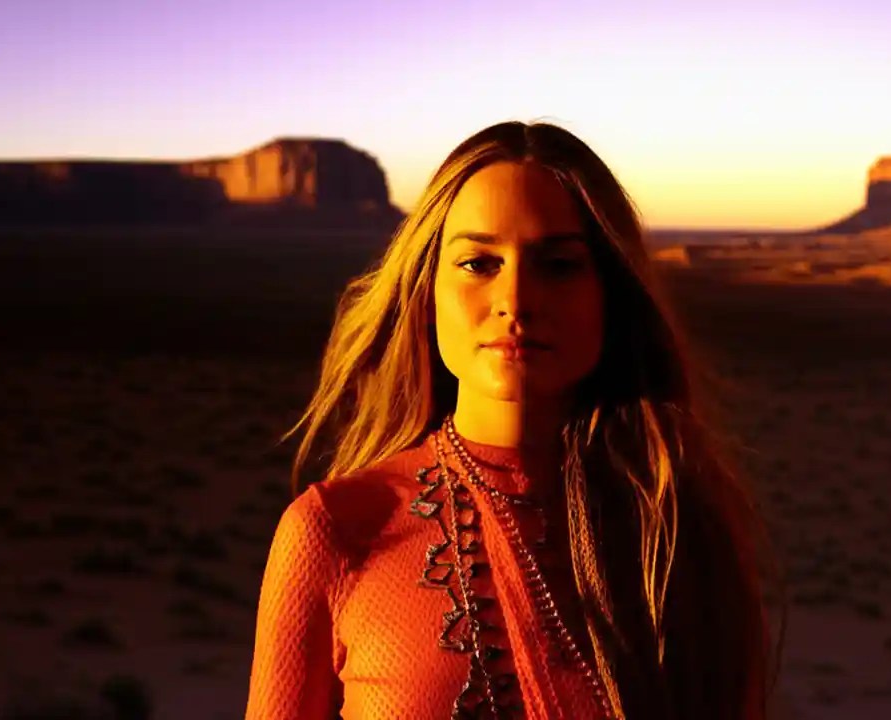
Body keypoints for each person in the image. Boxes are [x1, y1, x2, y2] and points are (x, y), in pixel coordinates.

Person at [245, 120, 786, 719]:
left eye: (558, 265)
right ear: (427, 290)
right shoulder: (335, 531)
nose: (517, 299)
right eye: (479, 263)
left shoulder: (684, 533)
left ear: (611, 294)